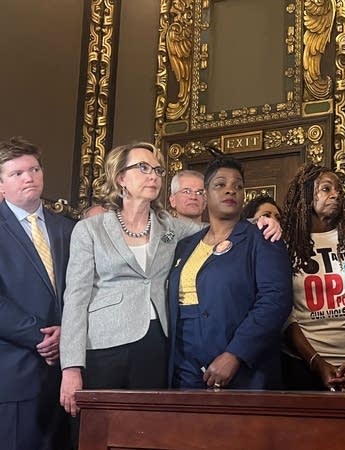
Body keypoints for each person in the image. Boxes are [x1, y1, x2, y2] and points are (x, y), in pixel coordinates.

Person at [59, 143, 280, 418]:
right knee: (100, 429)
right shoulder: (89, 229)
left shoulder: (172, 226)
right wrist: (70, 367)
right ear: (120, 178)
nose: (153, 175)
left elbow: (222, 227)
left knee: (147, 431)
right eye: (143, 168)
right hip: (103, 346)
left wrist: (262, 223)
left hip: (157, 345)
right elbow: (76, 299)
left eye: (158, 170)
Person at [167, 157, 292, 389]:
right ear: (205, 195)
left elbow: (276, 300)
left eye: (238, 186)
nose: (230, 190)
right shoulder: (185, 245)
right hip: (184, 365)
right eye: (220, 184)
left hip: (242, 366)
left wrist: (236, 354)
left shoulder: (262, 237)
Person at [281, 164, 345, 391]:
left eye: (339, 190)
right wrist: (316, 363)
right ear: (307, 196)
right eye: (326, 189)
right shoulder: (286, 248)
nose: (336, 194)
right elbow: (286, 315)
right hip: (302, 365)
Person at [0, 137, 74, 450]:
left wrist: (67, 334)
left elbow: (82, 290)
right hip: (16, 373)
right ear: (1, 183)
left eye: (34, 169)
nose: (29, 177)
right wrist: (43, 338)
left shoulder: (69, 229)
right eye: (17, 173)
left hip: (67, 375)